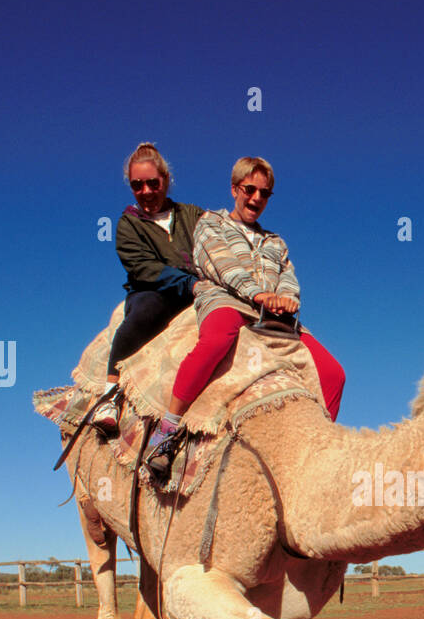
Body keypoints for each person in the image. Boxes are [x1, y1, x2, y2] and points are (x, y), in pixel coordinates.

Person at [143, 155, 345, 481]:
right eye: (249, 190)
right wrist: (256, 293)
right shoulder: (211, 224)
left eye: (264, 193)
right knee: (217, 339)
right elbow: (221, 265)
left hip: (272, 313)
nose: (256, 199)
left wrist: (288, 300)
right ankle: (167, 430)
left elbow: (287, 277)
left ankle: (315, 448)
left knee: (333, 373)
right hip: (228, 299)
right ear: (235, 189)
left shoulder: (275, 242)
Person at [92, 143, 203, 434]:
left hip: (200, 287)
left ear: (166, 181)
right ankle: (110, 395)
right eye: (137, 185)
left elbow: (216, 244)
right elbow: (144, 268)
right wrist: (189, 283)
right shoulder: (128, 223)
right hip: (155, 291)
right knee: (144, 314)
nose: (146, 191)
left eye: (153, 183)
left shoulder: (193, 215)